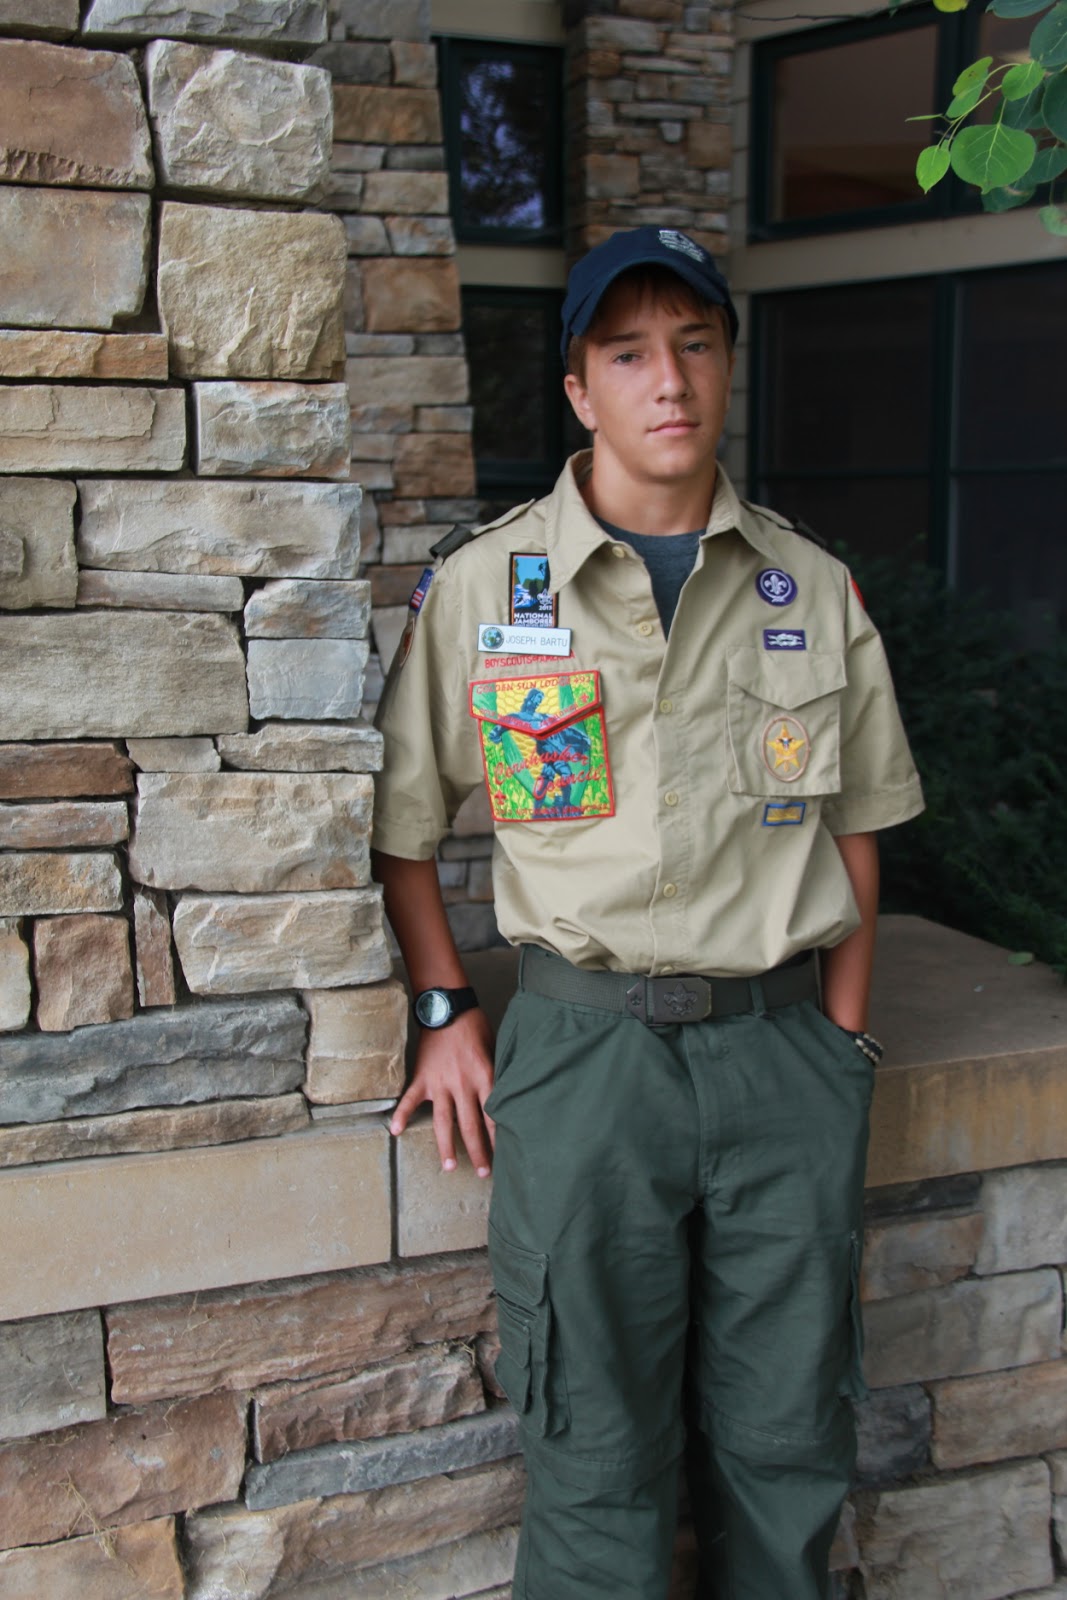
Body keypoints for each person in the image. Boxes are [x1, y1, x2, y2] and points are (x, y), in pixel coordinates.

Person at [371, 225, 924, 1600]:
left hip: (781, 1056)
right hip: (582, 1059)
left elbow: (859, 831)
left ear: (727, 365)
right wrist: (443, 1006)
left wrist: (838, 1050)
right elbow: (405, 828)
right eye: (628, 352)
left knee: (790, 1444)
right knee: (591, 1452)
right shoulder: (488, 592)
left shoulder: (813, 590)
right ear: (578, 390)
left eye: (694, 344)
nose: (666, 380)